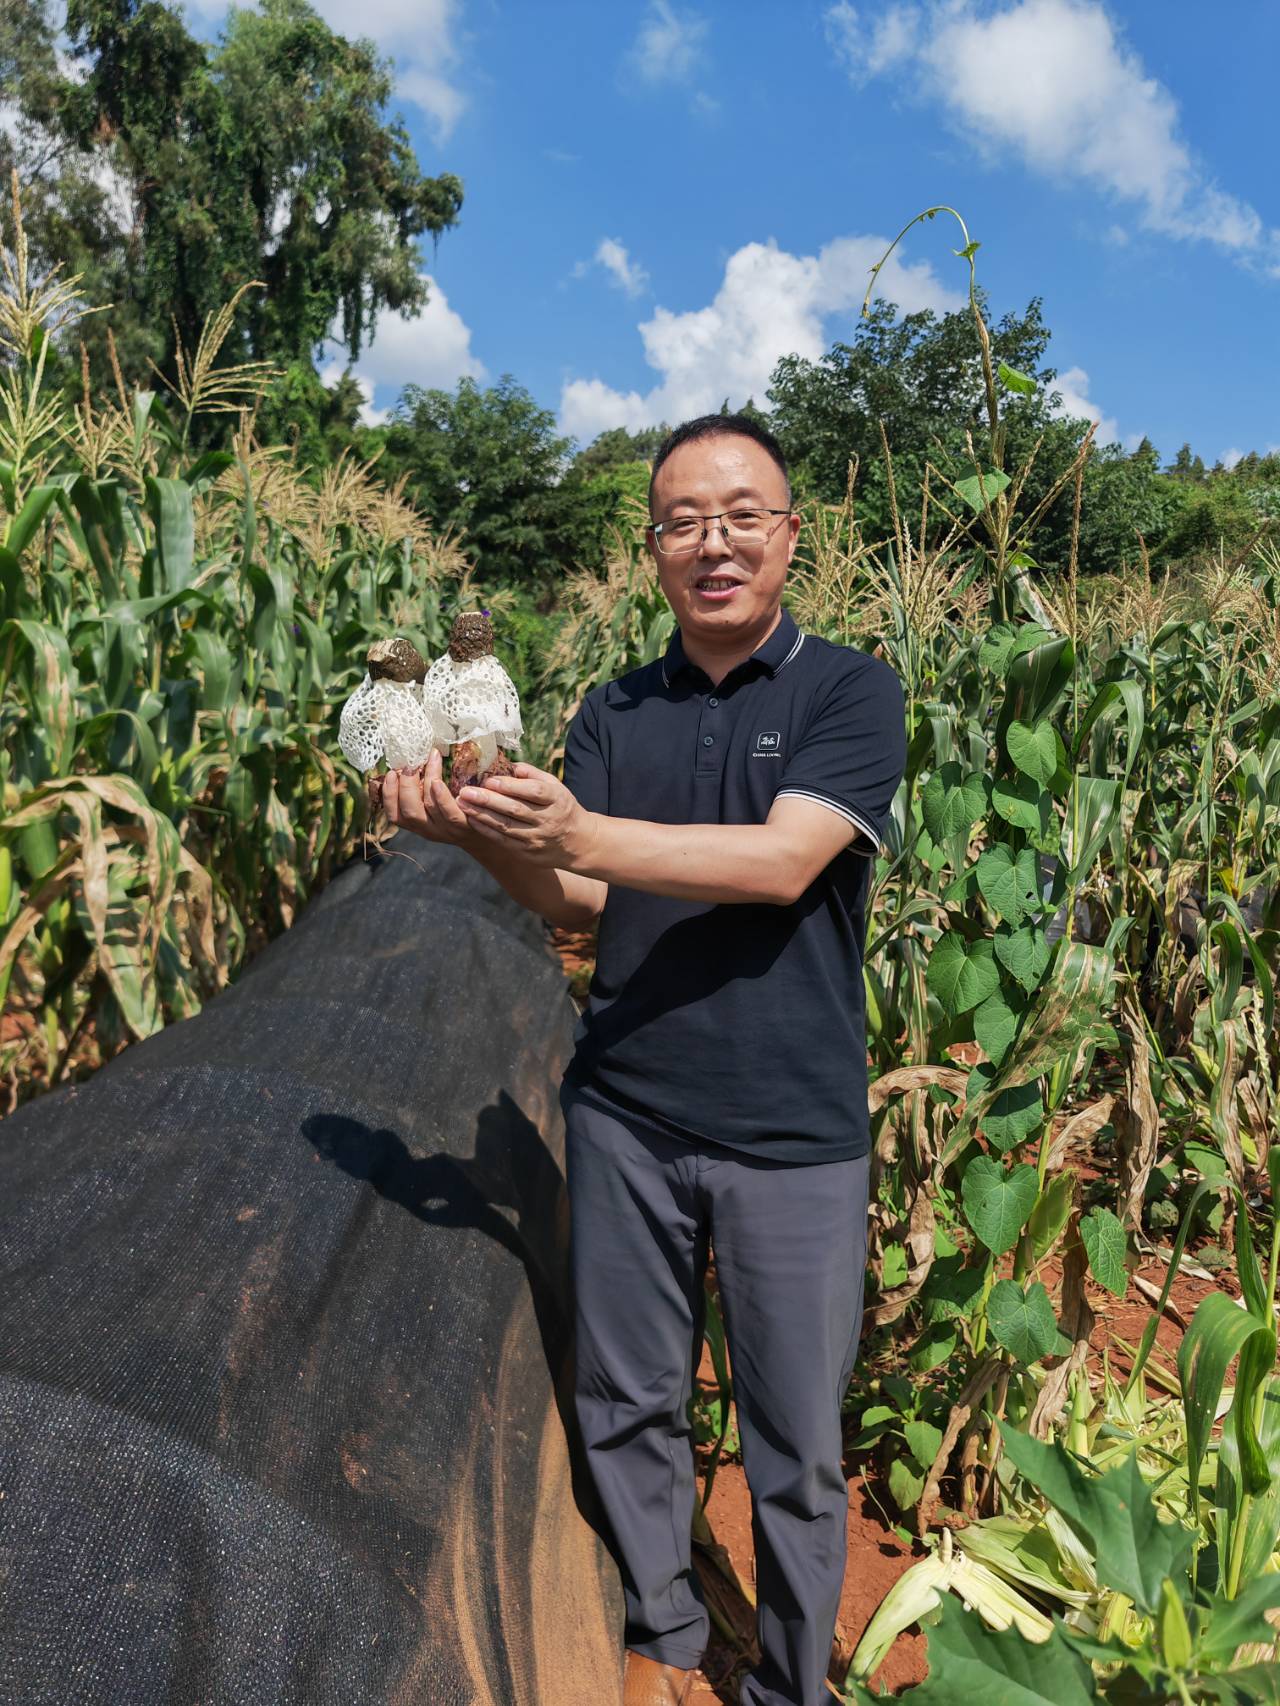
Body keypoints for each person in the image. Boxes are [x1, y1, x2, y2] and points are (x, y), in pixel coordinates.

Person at [381, 414, 907, 1706]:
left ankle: (791, 1682)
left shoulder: (849, 690)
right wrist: (466, 836)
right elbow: (578, 897)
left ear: (789, 534)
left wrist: (588, 827)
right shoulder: (614, 707)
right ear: (654, 549)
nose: (713, 541)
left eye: (741, 513)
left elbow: (782, 862)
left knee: (793, 1443)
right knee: (626, 1399)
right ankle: (665, 1634)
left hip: (794, 1134)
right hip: (627, 1111)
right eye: (683, 520)